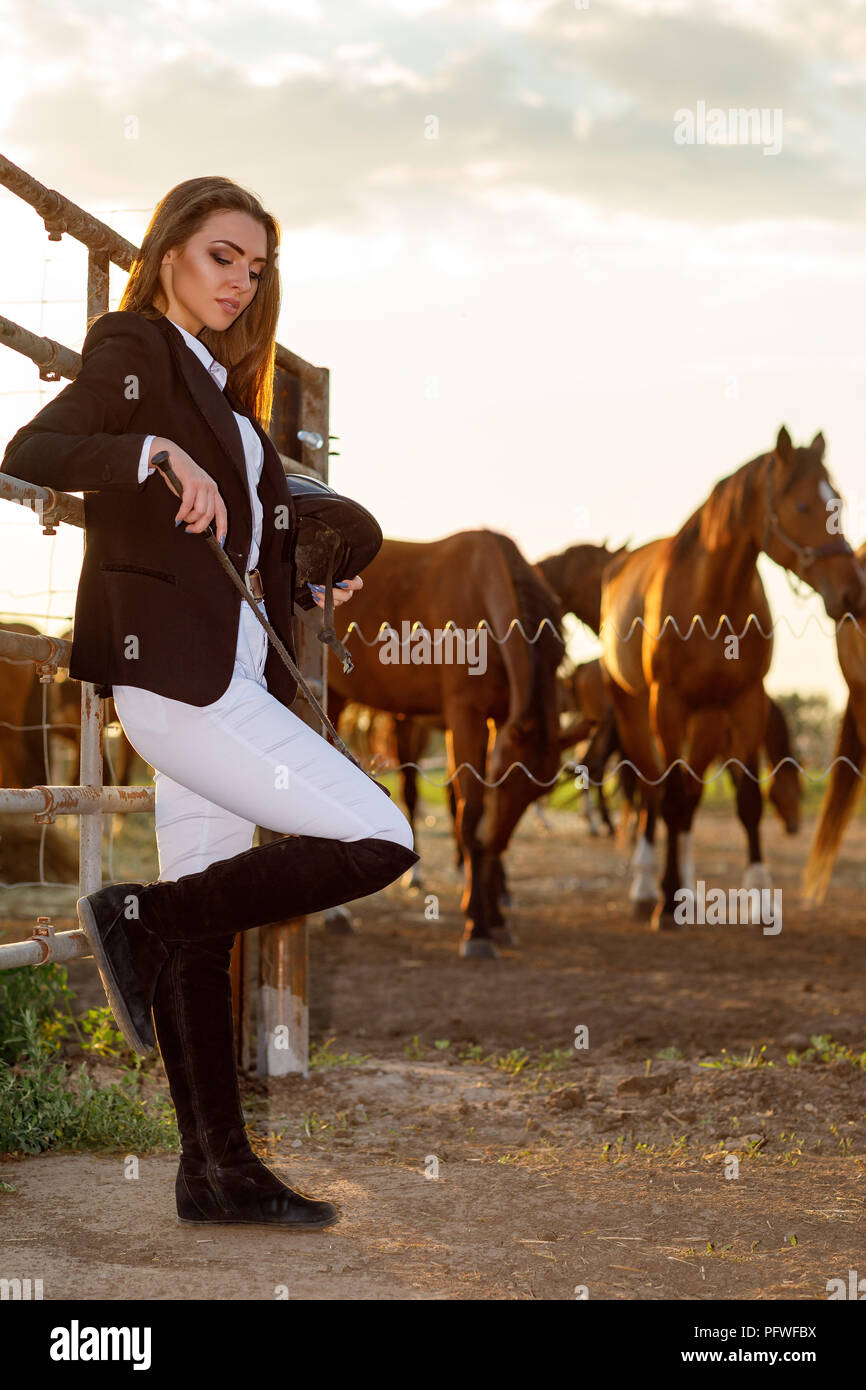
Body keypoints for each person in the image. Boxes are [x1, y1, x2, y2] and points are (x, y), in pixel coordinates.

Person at [0, 176, 418, 1230]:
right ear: (170, 250)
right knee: (378, 830)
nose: (239, 280)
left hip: (225, 675)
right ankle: (133, 917)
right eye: (221, 255)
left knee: (207, 924)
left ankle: (214, 1170)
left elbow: (236, 545)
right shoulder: (132, 346)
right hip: (176, 683)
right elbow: (31, 451)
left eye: (255, 268)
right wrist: (149, 448)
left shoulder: (232, 397)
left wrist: (310, 580)